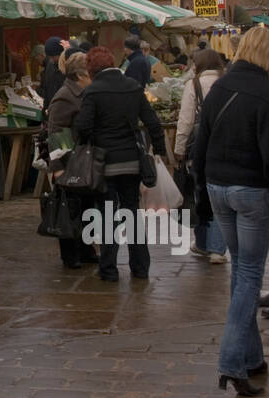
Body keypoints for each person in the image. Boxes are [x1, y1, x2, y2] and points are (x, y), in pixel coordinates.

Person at [192, 24, 269, 395]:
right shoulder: (267, 94)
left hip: (217, 187)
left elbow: (200, 144)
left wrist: (200, 195)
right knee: (249, 276)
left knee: (241, 273)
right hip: (251, 191)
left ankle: (252, 358)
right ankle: (230, 363)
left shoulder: (219, 88)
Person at [75, 45, 166, 282]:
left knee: (107, 215)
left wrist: (88, 142)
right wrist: (161, 152)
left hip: (104, 163)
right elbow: (152, 123)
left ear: (92, 69)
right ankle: (140, 267)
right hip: (132, 161)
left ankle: (109, 269)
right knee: (132, 212)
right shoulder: (133, 87)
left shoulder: (92, 92)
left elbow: (83, 127)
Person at [174, 48, 227, 262]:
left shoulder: (193, 85)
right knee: (218, 194)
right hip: (224, 146)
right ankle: (211, 245)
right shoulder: (227, 83)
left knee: (200, 193)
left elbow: (186, 121)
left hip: (199, 147)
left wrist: (179, 148)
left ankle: (209, 244)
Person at [47, 52, 98, 270]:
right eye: (90, 73)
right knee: (70, 208)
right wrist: (58, 166)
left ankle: (86, 249)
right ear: (80, 75)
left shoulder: (84, 93)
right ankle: (70, 254)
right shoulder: (65, 96)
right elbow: (55, 132)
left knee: (86, 206)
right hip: (70, 161)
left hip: (84, 159)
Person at [39, 36, 65, 109]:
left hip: (63, 110)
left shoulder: (68, 68)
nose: (51, 59)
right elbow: (47, 88)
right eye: (50, 56)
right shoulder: (50, 66)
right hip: (52, 108)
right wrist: (45, 108)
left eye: (53, 56)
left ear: (61, 53)